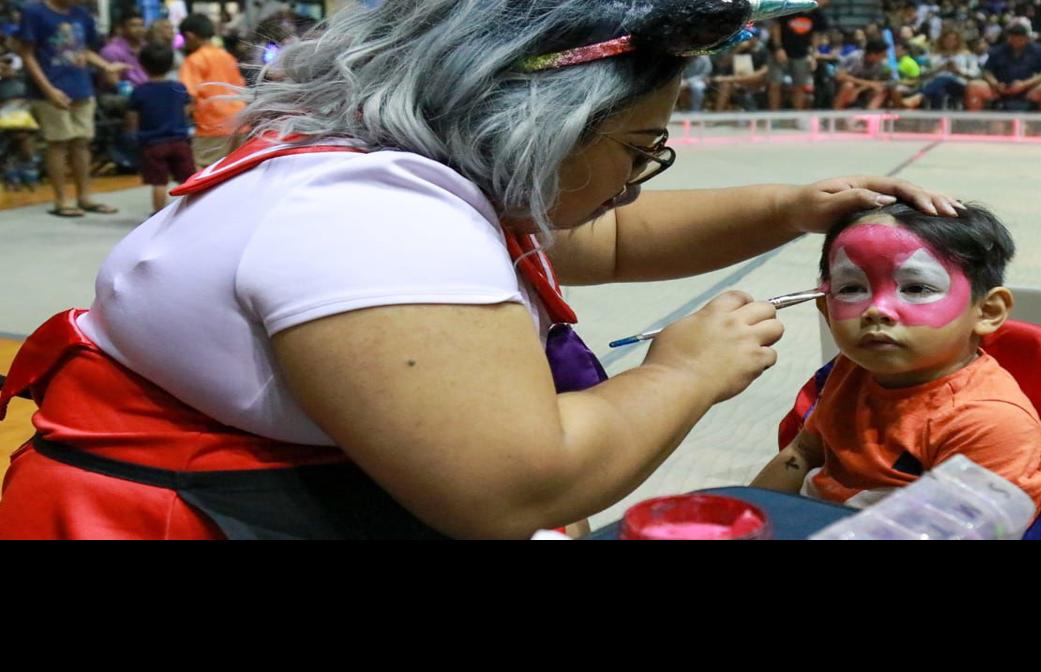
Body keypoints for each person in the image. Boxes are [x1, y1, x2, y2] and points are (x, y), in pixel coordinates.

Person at [0, 0, 960, 540]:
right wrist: (684, 374)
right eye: (638, 147)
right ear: (535, 125)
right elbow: (512, 490)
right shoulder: (372, 224)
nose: (640, 179)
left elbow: (611, 239)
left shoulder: (393, 178)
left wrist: (789, 209)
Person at [751, 203, 1041, 515]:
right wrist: (735, 521)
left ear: (988, 311)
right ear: (826, 308)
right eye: (852, 288)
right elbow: (803, 451)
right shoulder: (854, 368)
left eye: (916, 288)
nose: (876, 310)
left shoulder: (990, 422)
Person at [15, 0, 130, 217]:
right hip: (49, 89)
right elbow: (27, 54)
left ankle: (84, 196)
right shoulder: (34, 12)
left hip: (81, 86)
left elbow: (84, 50)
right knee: (57, 142)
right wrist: (49, 90)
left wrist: (106, 66)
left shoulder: (82, 14)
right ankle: (61, 200)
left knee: (82, 142)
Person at [125, 42, 194, 214]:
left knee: (159, 182)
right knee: (187, 179)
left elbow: (132, 118)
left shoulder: (139, 91)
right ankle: (192, 210)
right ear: (171, 64)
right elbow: (187, 110)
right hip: (179, 141)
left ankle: (158, 214)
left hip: (153, 143)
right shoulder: (178, 87)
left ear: (142, 65)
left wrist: (132, 134)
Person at [177, 12, 244, 168]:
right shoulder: (226, 55)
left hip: (212, 125)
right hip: (240, 121)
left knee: (204, 173)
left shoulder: (193, 60)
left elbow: (189, 95)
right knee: (235, 172)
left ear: (190, 35)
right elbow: (240, 87)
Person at [965, 23, 1041, 112]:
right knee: (974, 85)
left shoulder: (1040, 50)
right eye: (1013, 39)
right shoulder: (998, 50)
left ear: (1026, 38)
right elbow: (987, 71)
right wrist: (995, 84)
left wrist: (1025, 84)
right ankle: (975, 124)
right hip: (1000, 88)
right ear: (1009, 38)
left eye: (1020, 39)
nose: (1016, 42)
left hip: (1029, 89)